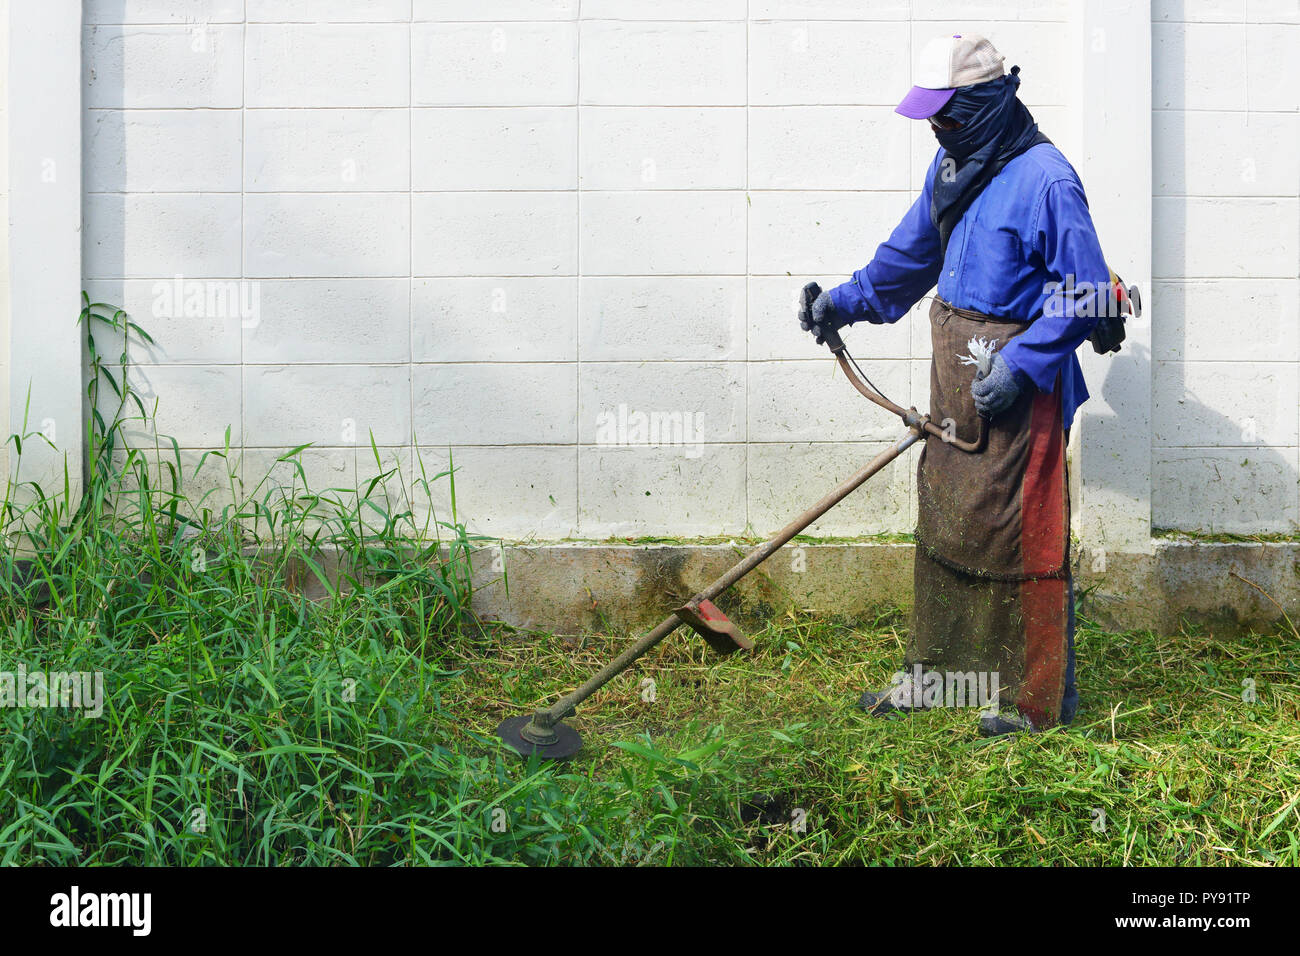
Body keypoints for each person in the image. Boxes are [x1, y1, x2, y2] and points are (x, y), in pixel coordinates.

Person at [798, 34, 1114, 736]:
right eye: (932, 116)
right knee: (949, 522)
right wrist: (841, 302)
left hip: (1021, 393)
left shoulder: (1046, 180)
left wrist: (1026, 362)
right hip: (956, 381)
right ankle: (939, 677)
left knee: (1024, 540)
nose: (937, 127)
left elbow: (1089, 293)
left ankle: (1037, 705)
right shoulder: (954, 167)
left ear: (985, 102)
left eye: (947, 113)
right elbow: (907, 260)